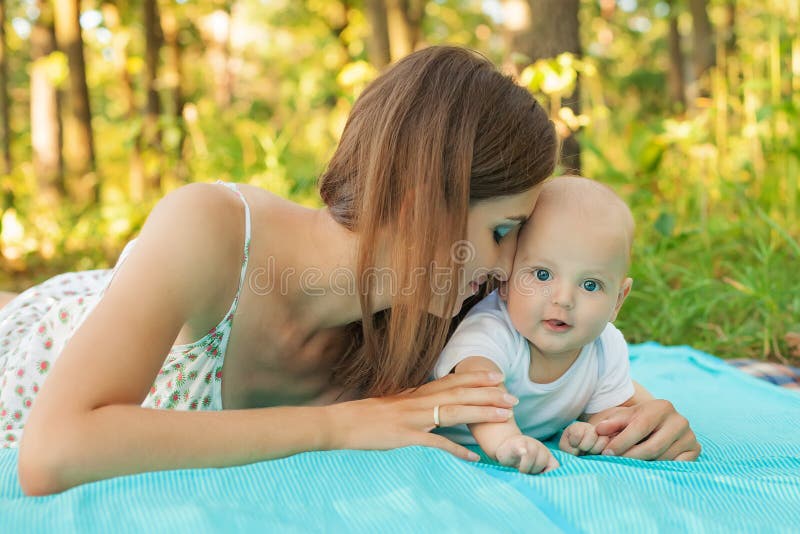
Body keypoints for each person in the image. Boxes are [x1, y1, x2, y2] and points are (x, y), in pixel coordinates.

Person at [0, 46, 698, 496]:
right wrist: (335, 426)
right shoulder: (207, 229)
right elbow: (54, 452)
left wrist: (636, 418)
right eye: (501, 231)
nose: (503, 268)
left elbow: (546, 372)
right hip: (42, 340)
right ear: (427, 203)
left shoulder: (430, 319)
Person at [433, 177, 698, 473]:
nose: (564, 299)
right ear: (505, 282)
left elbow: (608, 413)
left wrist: (595, 434)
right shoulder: (491, 328)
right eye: (543, 275)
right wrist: (507, 441)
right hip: (458, 436)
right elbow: (479, 388)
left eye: (589, 284)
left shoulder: (605, 347)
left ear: (618, 301)